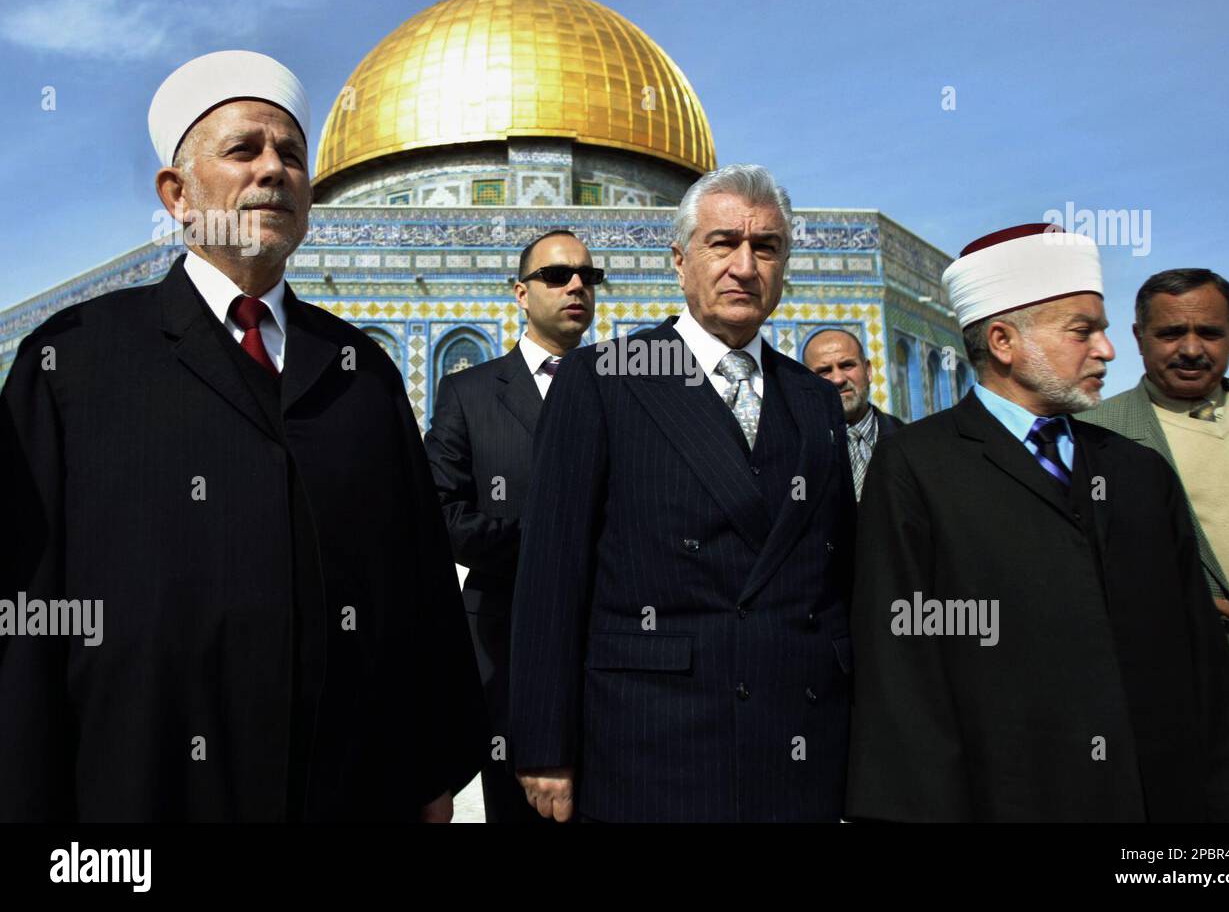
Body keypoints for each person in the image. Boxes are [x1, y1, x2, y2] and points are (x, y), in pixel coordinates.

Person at [0, 50, 485, 821]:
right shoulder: (74, 363)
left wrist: (432, 772)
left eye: (291, 155)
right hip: (140, 791)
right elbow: (23, 612)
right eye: (244, 150)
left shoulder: (360, 373)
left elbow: (419, 590)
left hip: (345, 790)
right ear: (177, 194)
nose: (273, 170)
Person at [845, 223, 1229, 821]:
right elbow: (903, 682)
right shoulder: (917, 467)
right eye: (1083, 331)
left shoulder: (1137, 471)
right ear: (1003, 340)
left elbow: (1206, 679)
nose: (1107, 350)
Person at [510, 164, 856, 822]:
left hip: (794, 744)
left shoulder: (813, 400)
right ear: (679, 259)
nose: (745, 267)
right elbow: (551, 573)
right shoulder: (605, 378)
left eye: (767, 247)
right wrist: (545, 743)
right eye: (723, 243)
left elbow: (835, 577)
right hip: (650, 741)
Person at [1085, 268, 1229, 819]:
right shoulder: (1098, 438)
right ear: (1137, 337)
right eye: (1170, 334)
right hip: (1219, 687)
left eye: (1209, 332)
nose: (1190, 349)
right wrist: (1173, 602)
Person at [425, 229, 600, 822]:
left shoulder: (626, 389)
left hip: (614, 654)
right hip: (506, 649)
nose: (576, 285)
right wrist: (543, 546)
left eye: (587, 276)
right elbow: (438, 510)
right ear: (521, 294)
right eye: (557, 275)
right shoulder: (469, 392)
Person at [803, 328, 904, 500]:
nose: (838, 379)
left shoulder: (908, 440)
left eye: (847, 365)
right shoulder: (794, 448)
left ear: (868, 371)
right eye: (824, 371)